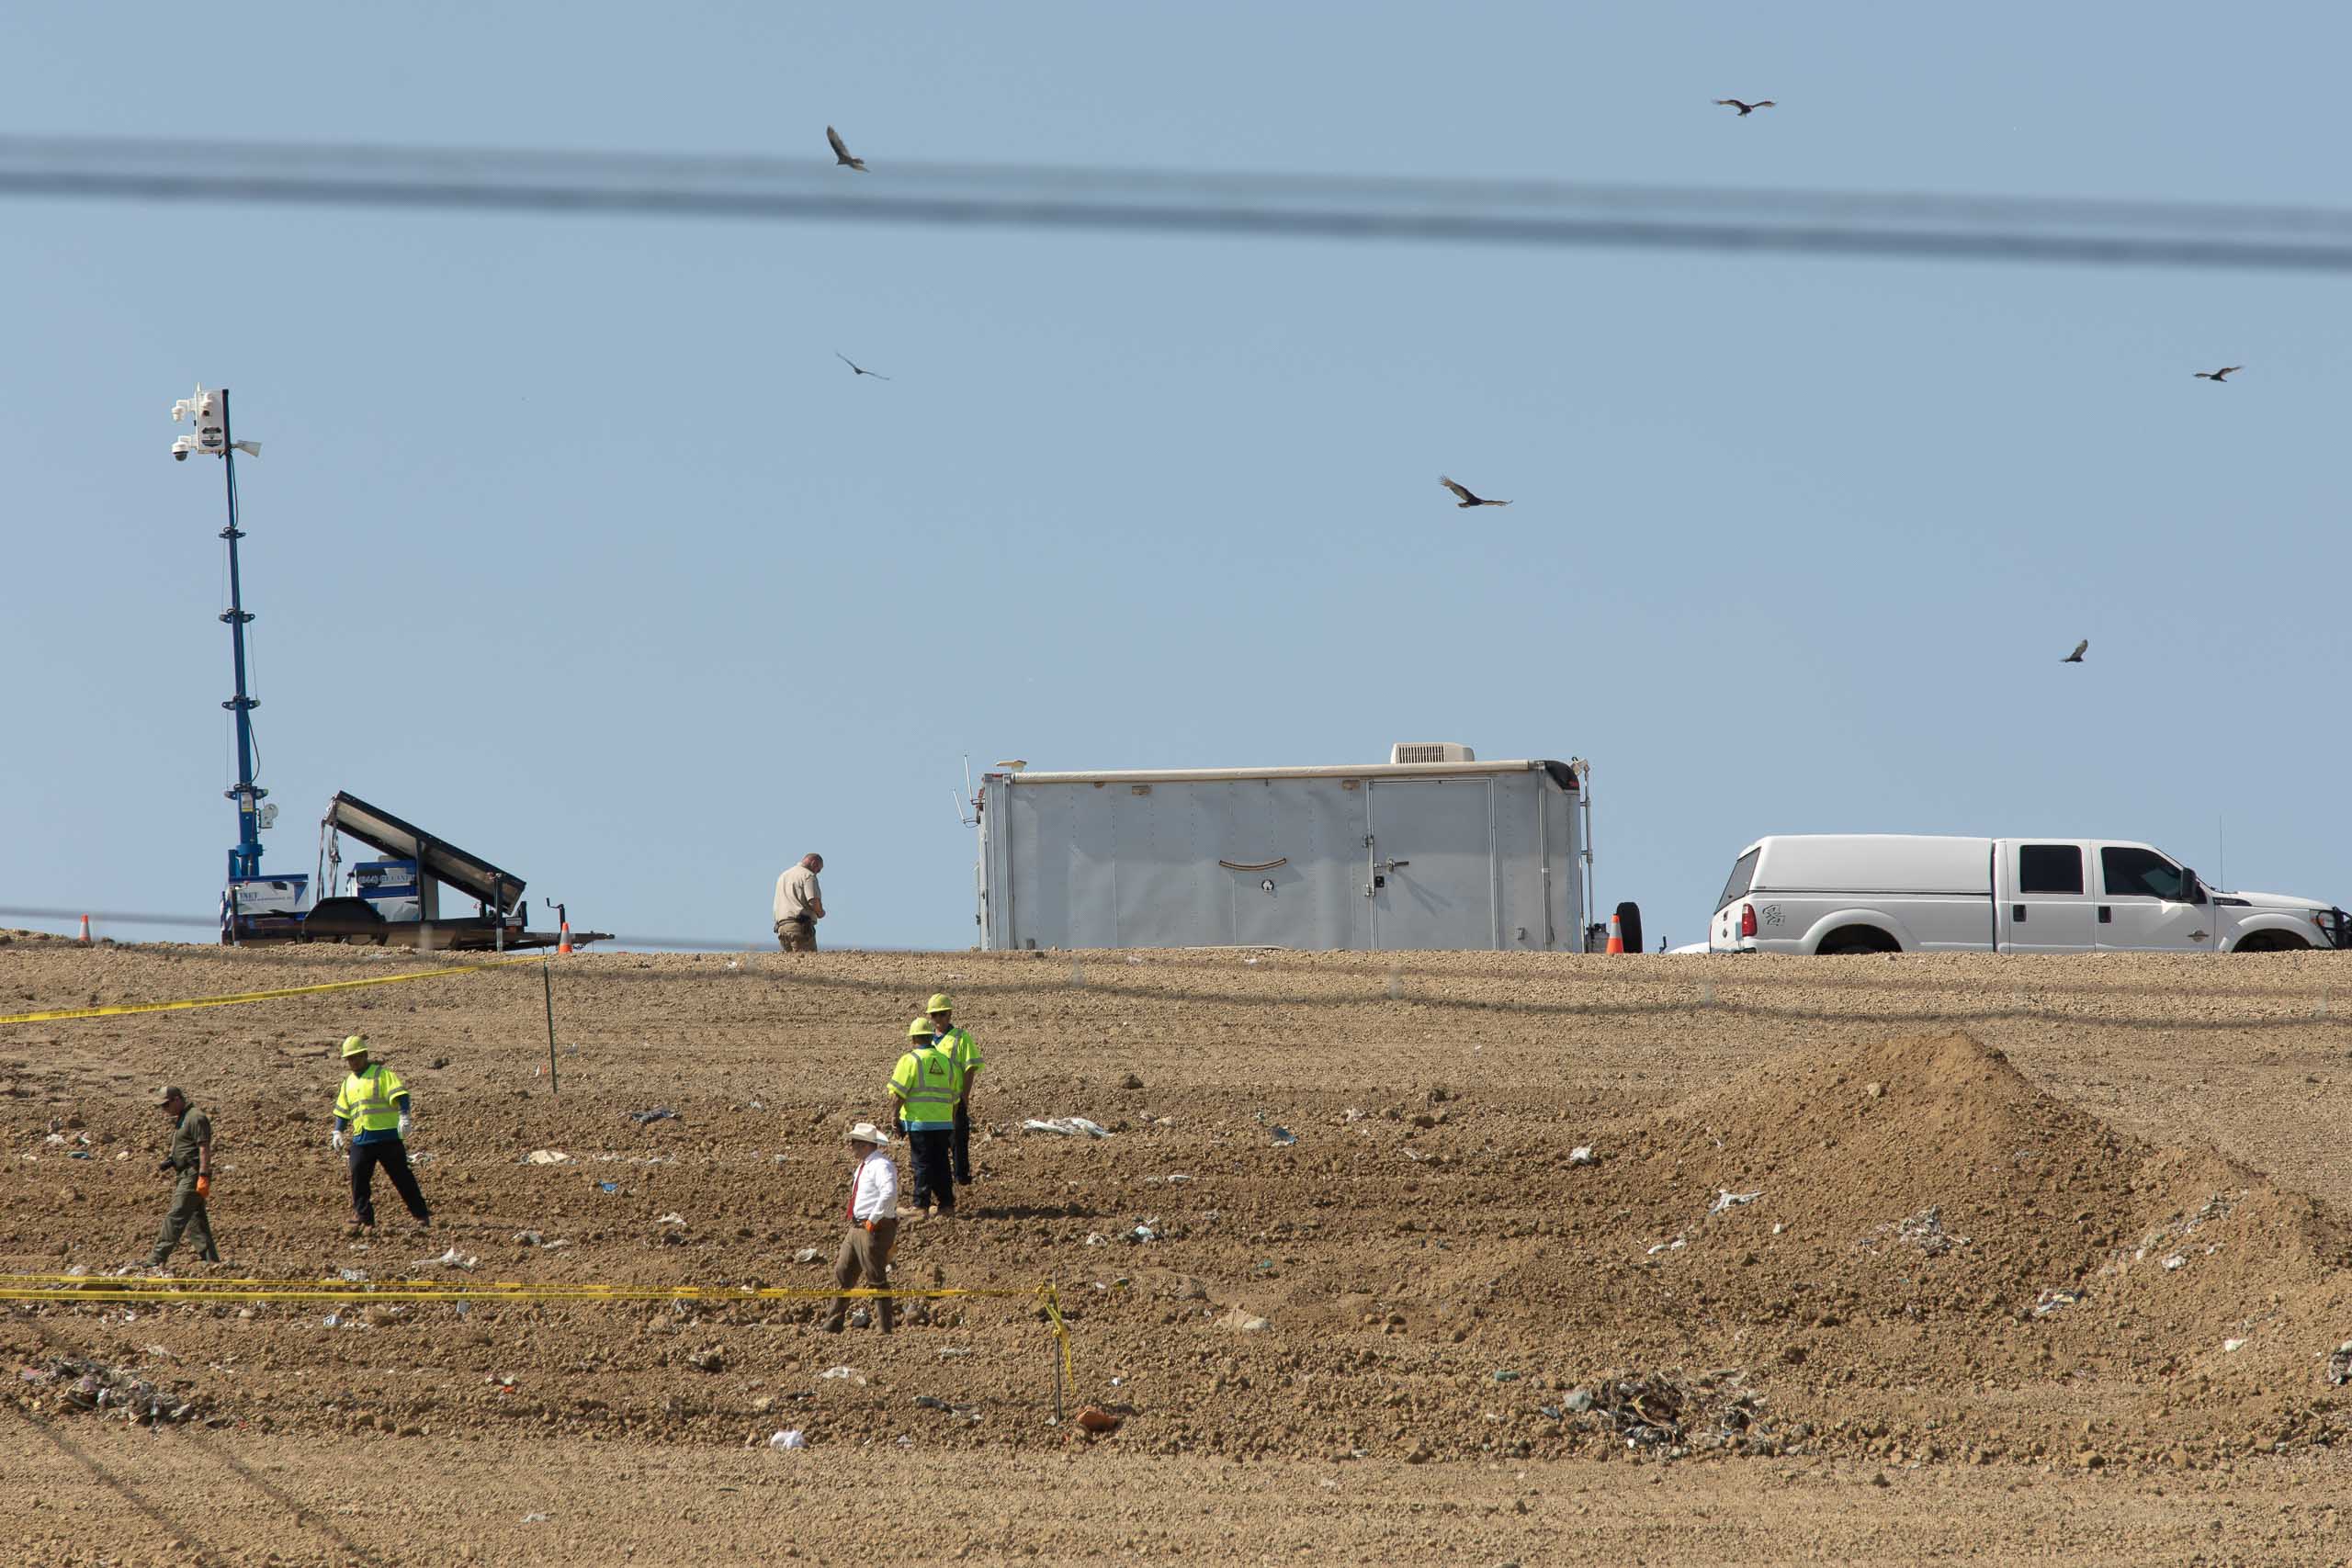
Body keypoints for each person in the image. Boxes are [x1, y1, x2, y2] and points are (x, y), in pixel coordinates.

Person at [330, 1034, 432, 1233]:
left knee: (402, 1178)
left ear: (365, 1055)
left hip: (388, 1138)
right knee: (358, 1176)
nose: (354, 1062)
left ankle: (421, 1215)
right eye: (350, 1059)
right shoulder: (348, 1083)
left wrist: (404, 1117)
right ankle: (364, 1218)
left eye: (357, 1057)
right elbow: (343, 1110)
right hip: (362, 1138)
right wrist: (338, 1131)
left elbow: (401, 1095)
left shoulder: (382, 1074)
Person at [821, 1122, 900, 1334]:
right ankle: (833, 1323)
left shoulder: (881, 1165)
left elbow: (889, 1193)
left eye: (854, 1142)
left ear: (866, 1144)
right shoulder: (864, 1166)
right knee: (843, 1272)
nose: (851, 1146)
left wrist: (873, 1219)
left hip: (873, 1227)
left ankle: (885, 1329)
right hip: (857, 1226)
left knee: (876, 1277)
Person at [887, 1017, 964, 1218]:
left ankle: (920, 1206)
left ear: (913, 1039)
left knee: (922, 1164)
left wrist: (893, 1117)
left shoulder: (910, 1060)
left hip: (919, 1123)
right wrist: (951, 1120)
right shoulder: (946, 1062)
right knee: (941, 1163)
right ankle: (946, 1205)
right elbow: (955, 1097)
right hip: (943, 1123)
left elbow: (898, 1094)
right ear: (931, 1038)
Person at [148, 1086, 220, 1267]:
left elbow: (204, 1148)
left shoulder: (196, 1118)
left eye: (166, 1105)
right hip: (184, 1173)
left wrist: (203, 1176)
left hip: (193, 1175)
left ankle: (156, 1259)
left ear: (177, 1099)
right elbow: (187, 1146)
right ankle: (212, 1262)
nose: (164, 1110)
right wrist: (172, 1161)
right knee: (196, 1220)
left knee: (176, 1215)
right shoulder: (183, 1118)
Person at [924, 993, 985, 1189]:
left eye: (942, 1014)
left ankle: (962, 1178)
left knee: (958, 1140)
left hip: (955, 1099)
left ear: (949, 1014)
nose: (939, 1019)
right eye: (935, 1015)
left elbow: (970, 1067)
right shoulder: (927, 1041)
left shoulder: (960, 1037)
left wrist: (964, 1096)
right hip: (935, 1103)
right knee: (937, 1143)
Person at [773, 852, 826, 953]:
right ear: (813, 863)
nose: (817, 872)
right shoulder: (808, 876)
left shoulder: (783, 876)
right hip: (800, 927)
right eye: (818, 869)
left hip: (782, 928)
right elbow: (813, 901)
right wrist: (821, 912)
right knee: (808, 964)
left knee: (792, 966)